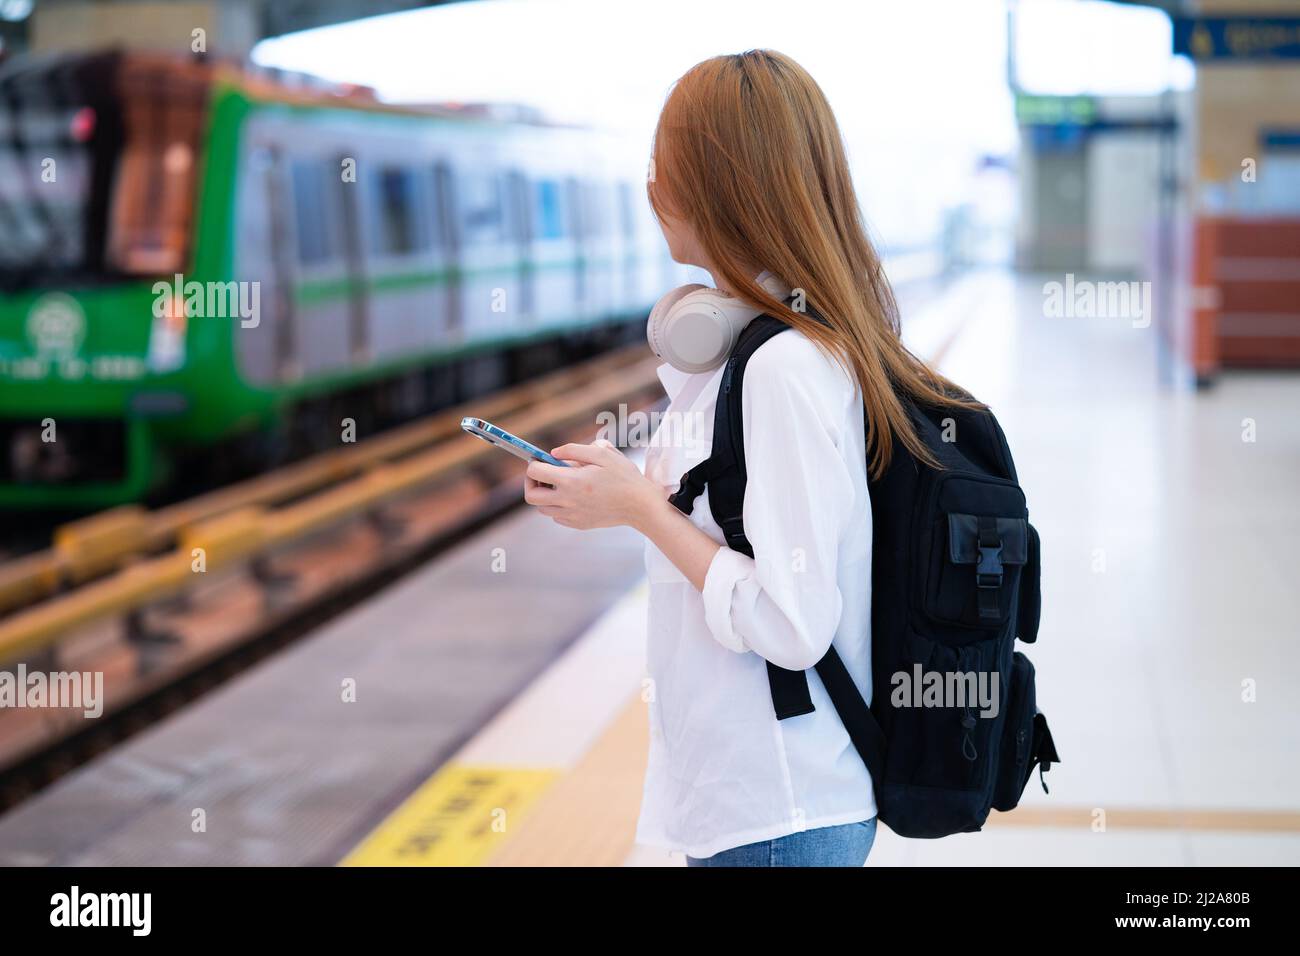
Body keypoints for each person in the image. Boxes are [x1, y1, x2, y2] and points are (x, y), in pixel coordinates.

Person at [522, 50, 973, 867]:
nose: (649, 187)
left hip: (778, 812)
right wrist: (620, 499)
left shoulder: (782, 368)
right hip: (754, 802)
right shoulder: (746, 352)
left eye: (661, 165)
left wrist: (638, 508)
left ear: (710, 190)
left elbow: (792, 622)